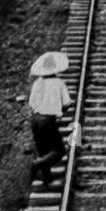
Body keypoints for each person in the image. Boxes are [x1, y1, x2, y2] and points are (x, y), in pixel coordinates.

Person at [28, 51, 72, 187]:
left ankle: (47, 180)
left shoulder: (37, 83)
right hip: (48, 121)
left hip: (35, 120)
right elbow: (67, 103)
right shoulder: (59, 83)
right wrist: (60, 109)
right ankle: (36, 165)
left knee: (43, 150)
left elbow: (32, 103)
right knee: (59, 150)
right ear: (55, 68)